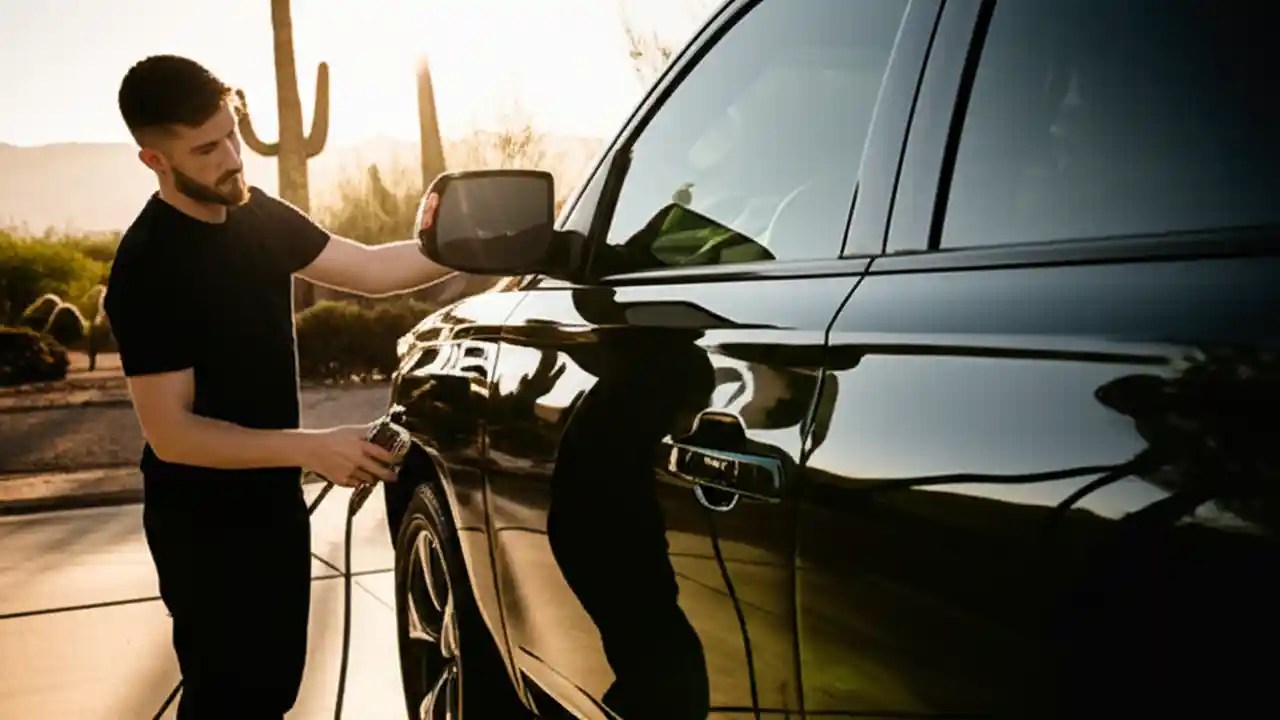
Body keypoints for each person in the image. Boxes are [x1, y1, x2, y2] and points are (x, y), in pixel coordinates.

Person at [105, 54, 454, 718]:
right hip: (201, 526)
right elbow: (172, 434)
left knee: (272, 691)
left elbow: (372, 269)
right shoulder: (148, 266)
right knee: (232, 699)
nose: (232, 157)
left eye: (232, 134)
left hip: (272, 505)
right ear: (155, 161)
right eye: (206, 149)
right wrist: (311, 448)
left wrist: (481, 246)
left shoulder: (256, 216)